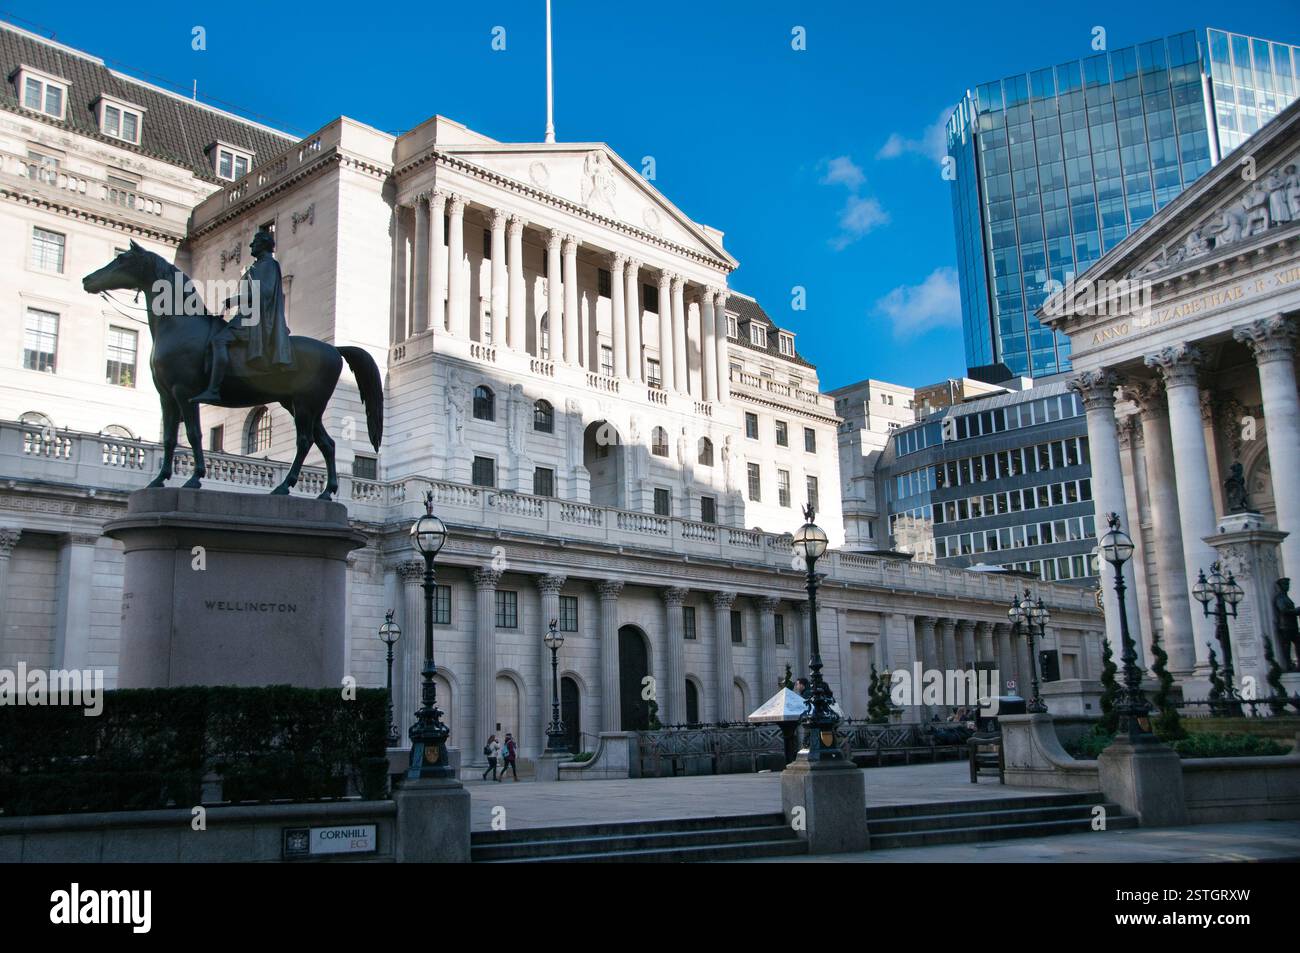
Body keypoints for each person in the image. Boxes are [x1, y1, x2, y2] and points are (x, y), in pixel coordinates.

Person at [192, 229, 293, 403]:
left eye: (255, 241)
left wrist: (236, 299)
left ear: (263, 245)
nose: (251, 245)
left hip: (257, 319)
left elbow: (265, 293)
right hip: (247, 315)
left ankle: (214, 390)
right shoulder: (259, 265)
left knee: (219, 340)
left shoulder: (269, 264)